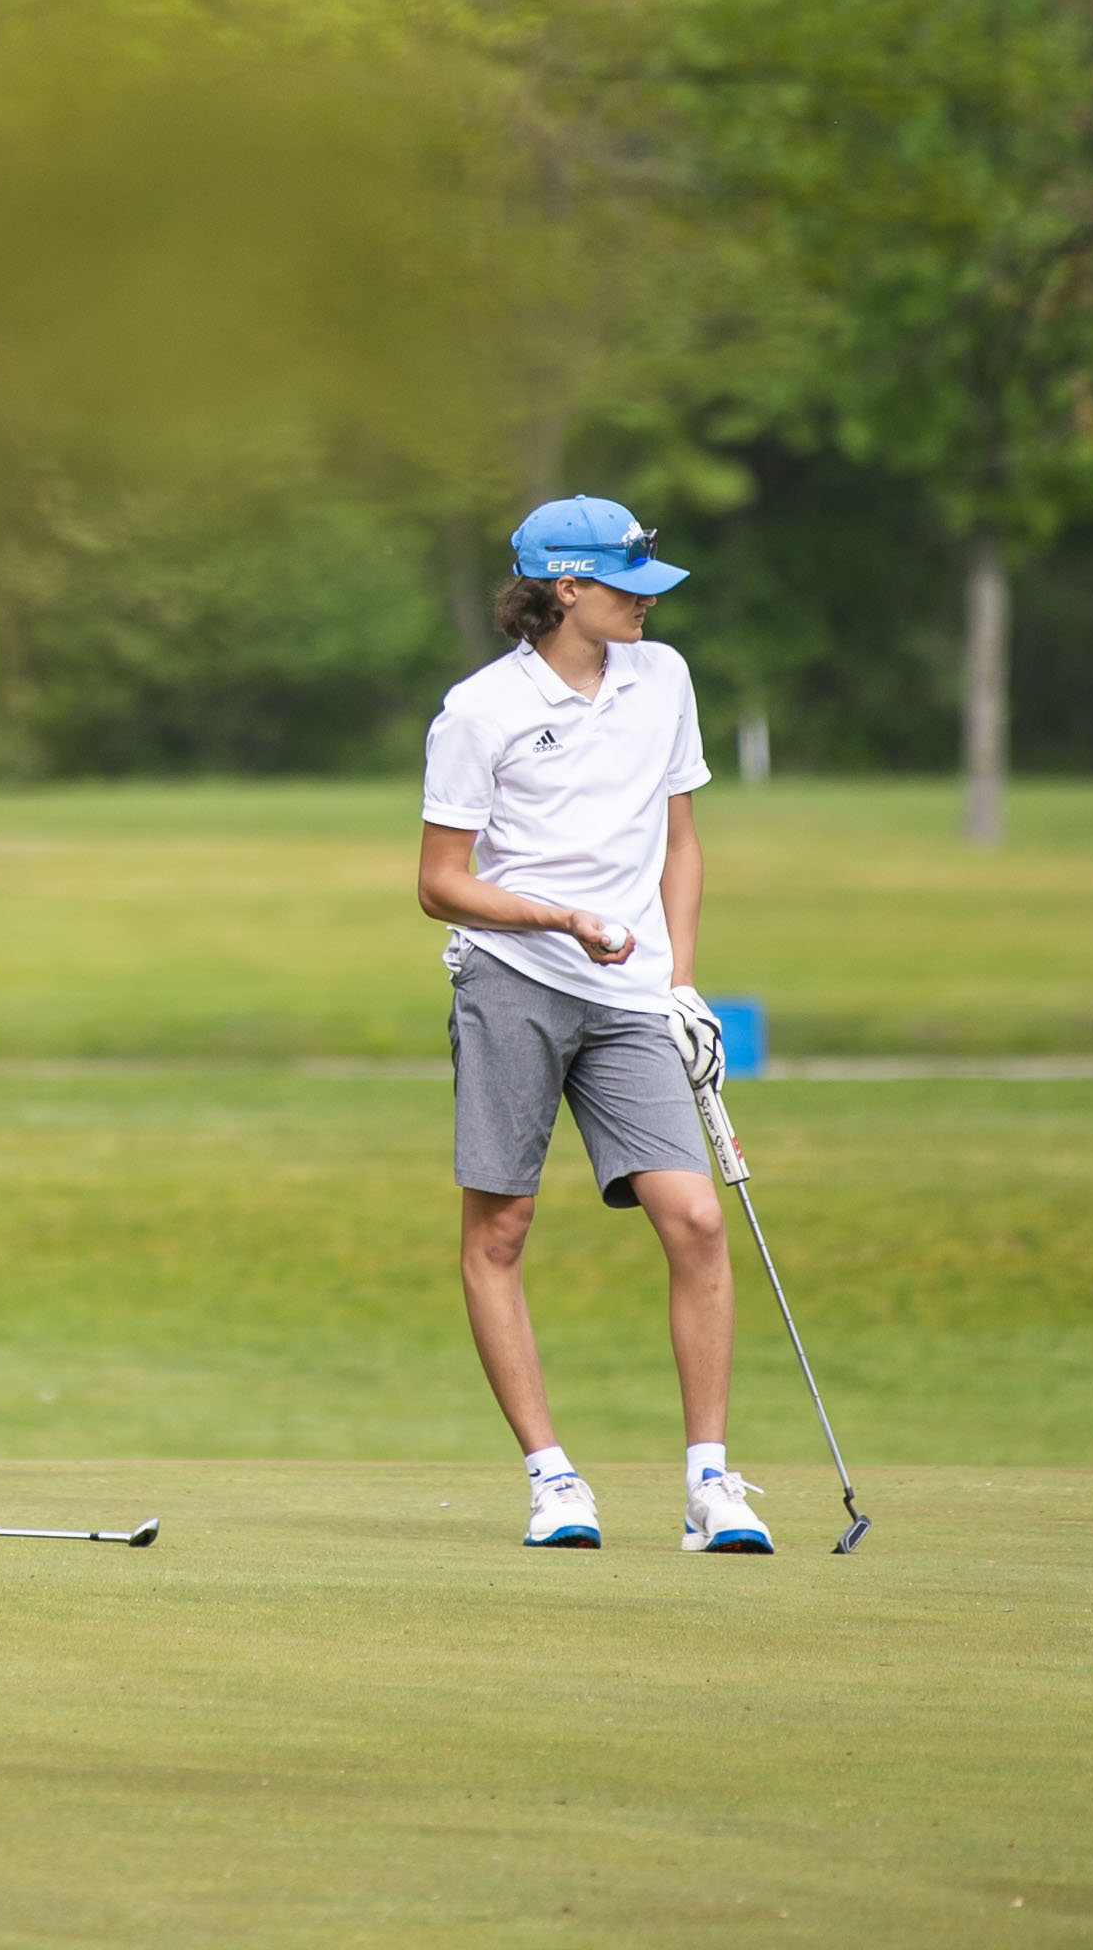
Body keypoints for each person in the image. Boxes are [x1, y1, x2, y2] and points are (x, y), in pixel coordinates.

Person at [416, 494, 768, 1553]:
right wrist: (558, 916)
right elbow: (438, 883)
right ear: (564, 591)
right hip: (514, 977)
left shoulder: (661, 677)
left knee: (696, 1219)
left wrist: (683, 984)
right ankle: (551, 1477)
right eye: (625, 588)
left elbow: (681, 843)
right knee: (500, 1230)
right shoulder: (476, 712)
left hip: (630, 994)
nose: (644, 606)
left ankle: (709, 1484)